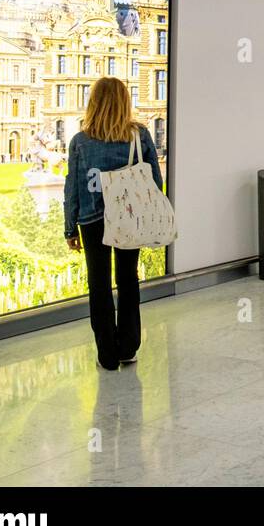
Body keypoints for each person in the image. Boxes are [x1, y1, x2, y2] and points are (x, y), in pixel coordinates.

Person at [64, 77, 163, 371]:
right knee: (128, 279)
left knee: (99, 283)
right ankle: (128, 348)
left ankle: (106, 355)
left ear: (94, 103)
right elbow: (154, 182)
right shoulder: (140, 136)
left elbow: (73, 188)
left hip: (92, 219)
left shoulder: (80, 141)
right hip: (129, 216)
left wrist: (70, 227)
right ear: (125, 101)